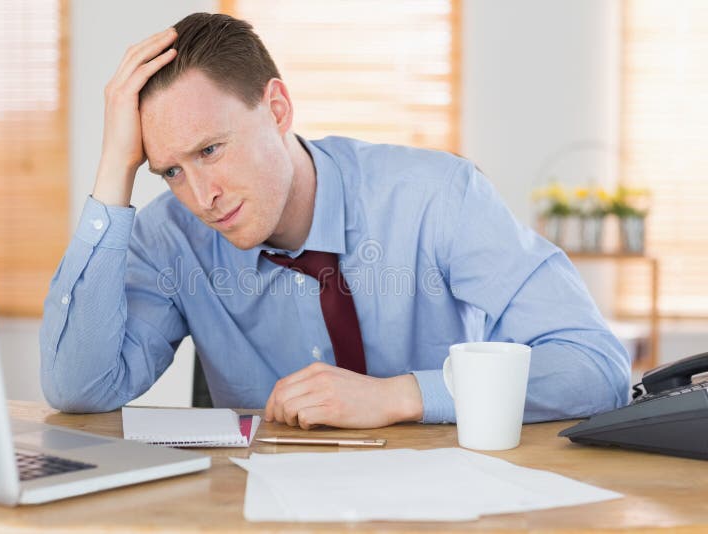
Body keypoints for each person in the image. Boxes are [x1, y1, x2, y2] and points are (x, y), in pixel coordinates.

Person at [40, 12, 630, 429]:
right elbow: (80, 389)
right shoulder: (169, 237)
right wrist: (114, 171)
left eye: (211, 150)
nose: (202, 196)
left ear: (277, 109)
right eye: (170, 170)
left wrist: (401, 396)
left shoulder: (435, 197)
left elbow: (594, 367)